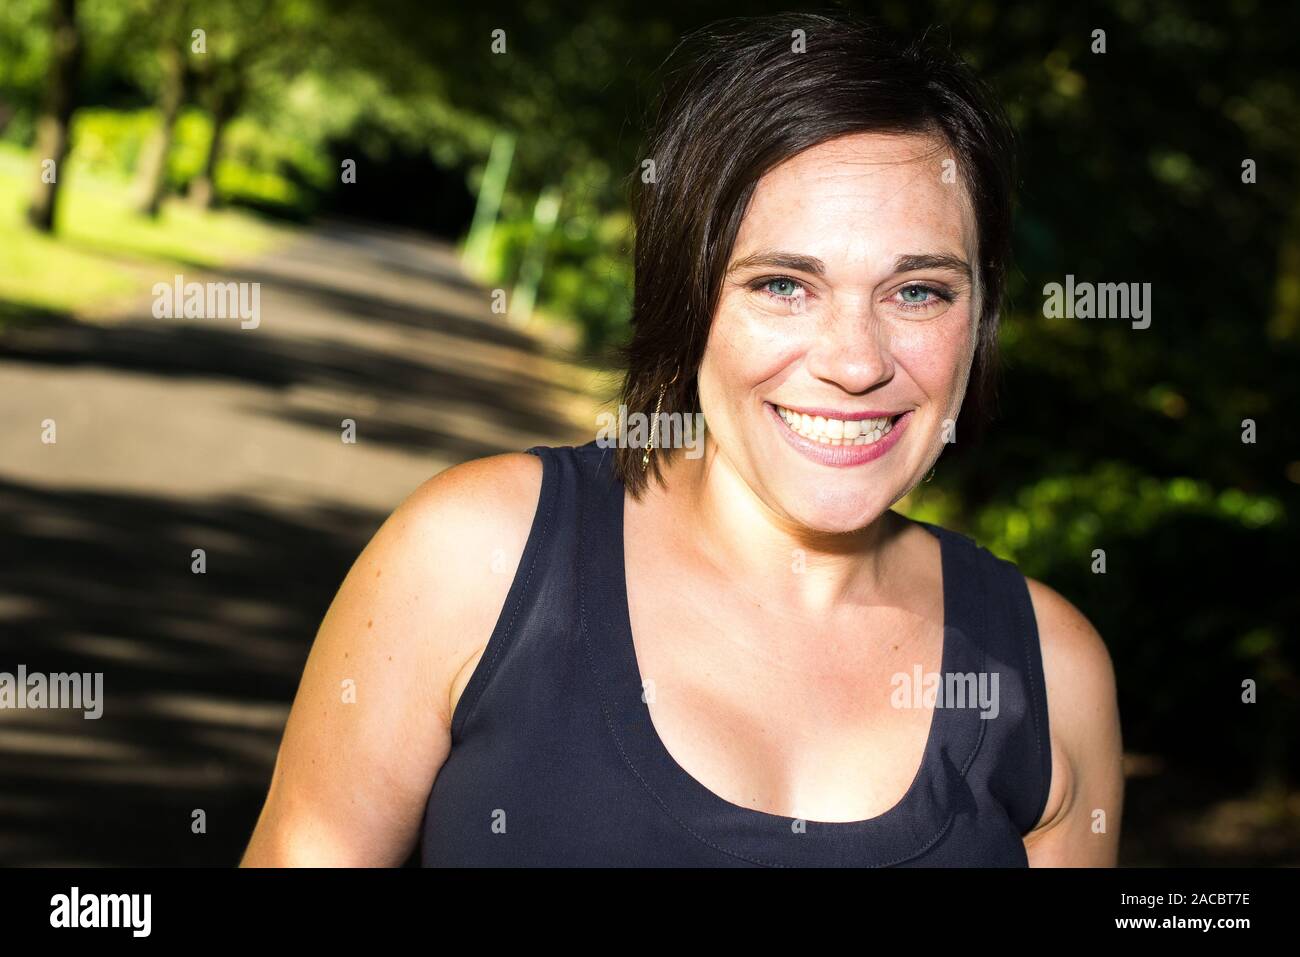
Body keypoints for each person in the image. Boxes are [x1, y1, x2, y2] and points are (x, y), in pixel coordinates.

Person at [241, 11, 1123, 867]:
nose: (856, 362)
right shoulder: (478, 555)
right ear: (687, 294)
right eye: (783, 284)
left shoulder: (1053, 672)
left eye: (919, 291)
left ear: (980, 318)